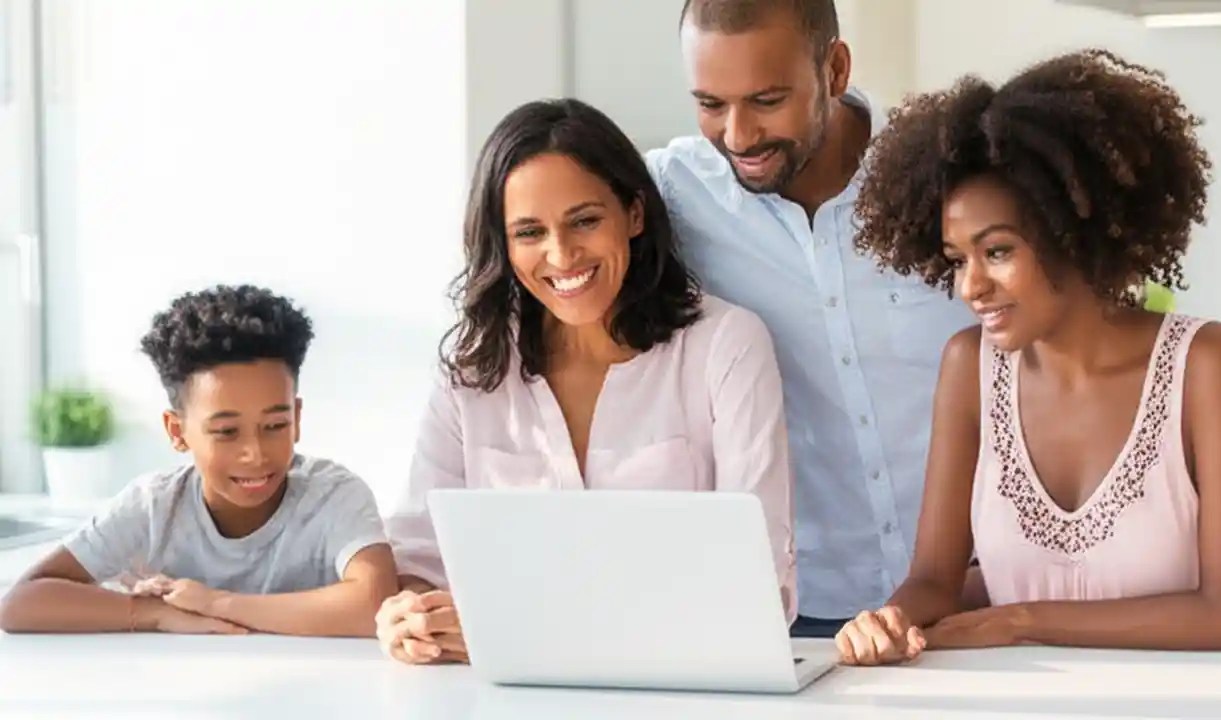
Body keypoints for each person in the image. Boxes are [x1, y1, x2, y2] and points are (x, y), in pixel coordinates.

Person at [835, 49, 1221, 664]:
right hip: (1010, 700)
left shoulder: (1207, 363)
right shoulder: (968, 366)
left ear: (1074, 232)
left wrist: (1020, 620)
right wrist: (887, 622)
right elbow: (934, 578)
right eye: (958, 259)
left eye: (998, 252)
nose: (971, 287)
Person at [375, 98, 795, 665]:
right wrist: (410, 617)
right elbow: (418, 562)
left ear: (634, 214)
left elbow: (758, 587)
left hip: (684, 691)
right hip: (501, 696)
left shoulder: (725, 347)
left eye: (585, 221)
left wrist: (525, 632)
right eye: (530, 232)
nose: (562, 254)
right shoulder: (472, 371)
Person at [646, 0, 975, 637]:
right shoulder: (675, 195)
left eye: (767, 101)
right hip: (804, 612)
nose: (738, 136)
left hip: (979, 594)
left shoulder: (946, 176)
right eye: (711, 104)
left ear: (836, 70)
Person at [0, 285, 397, 637]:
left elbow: (375, 602)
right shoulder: (153, 506)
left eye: (275, 425)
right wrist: (156, 614)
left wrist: (217, 603)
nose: (255, 453)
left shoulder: (333, 496)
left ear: (297, 418)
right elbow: (21, 603)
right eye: (226, 432)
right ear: (177, 431)